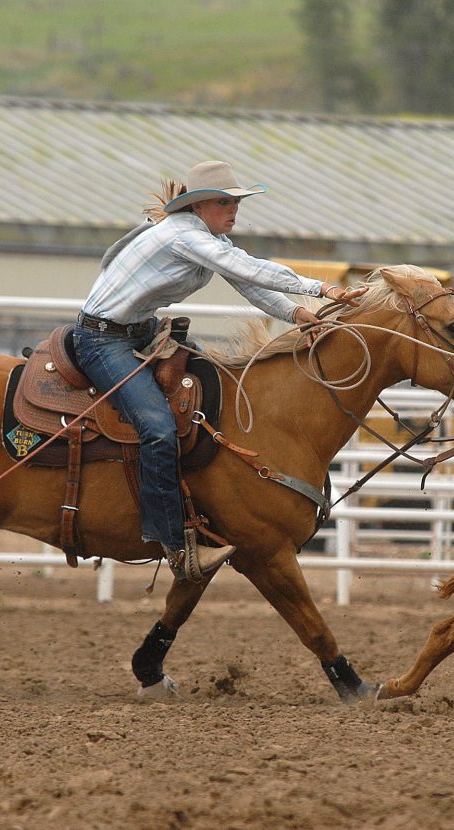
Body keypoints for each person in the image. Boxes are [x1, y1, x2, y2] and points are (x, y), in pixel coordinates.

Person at [73, 160, 367, 582]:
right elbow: (253, 270)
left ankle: (209, 510)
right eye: (224, 202)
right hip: (102, 340)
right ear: (198, 206)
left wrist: (300, 313)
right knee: (157, 426)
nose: (233, 210)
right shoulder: (185, 236)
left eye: (236, 202)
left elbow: (250, 285)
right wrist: (321, 289)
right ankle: (175, 544)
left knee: (208, 400)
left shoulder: (204, 239)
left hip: (137, 333)